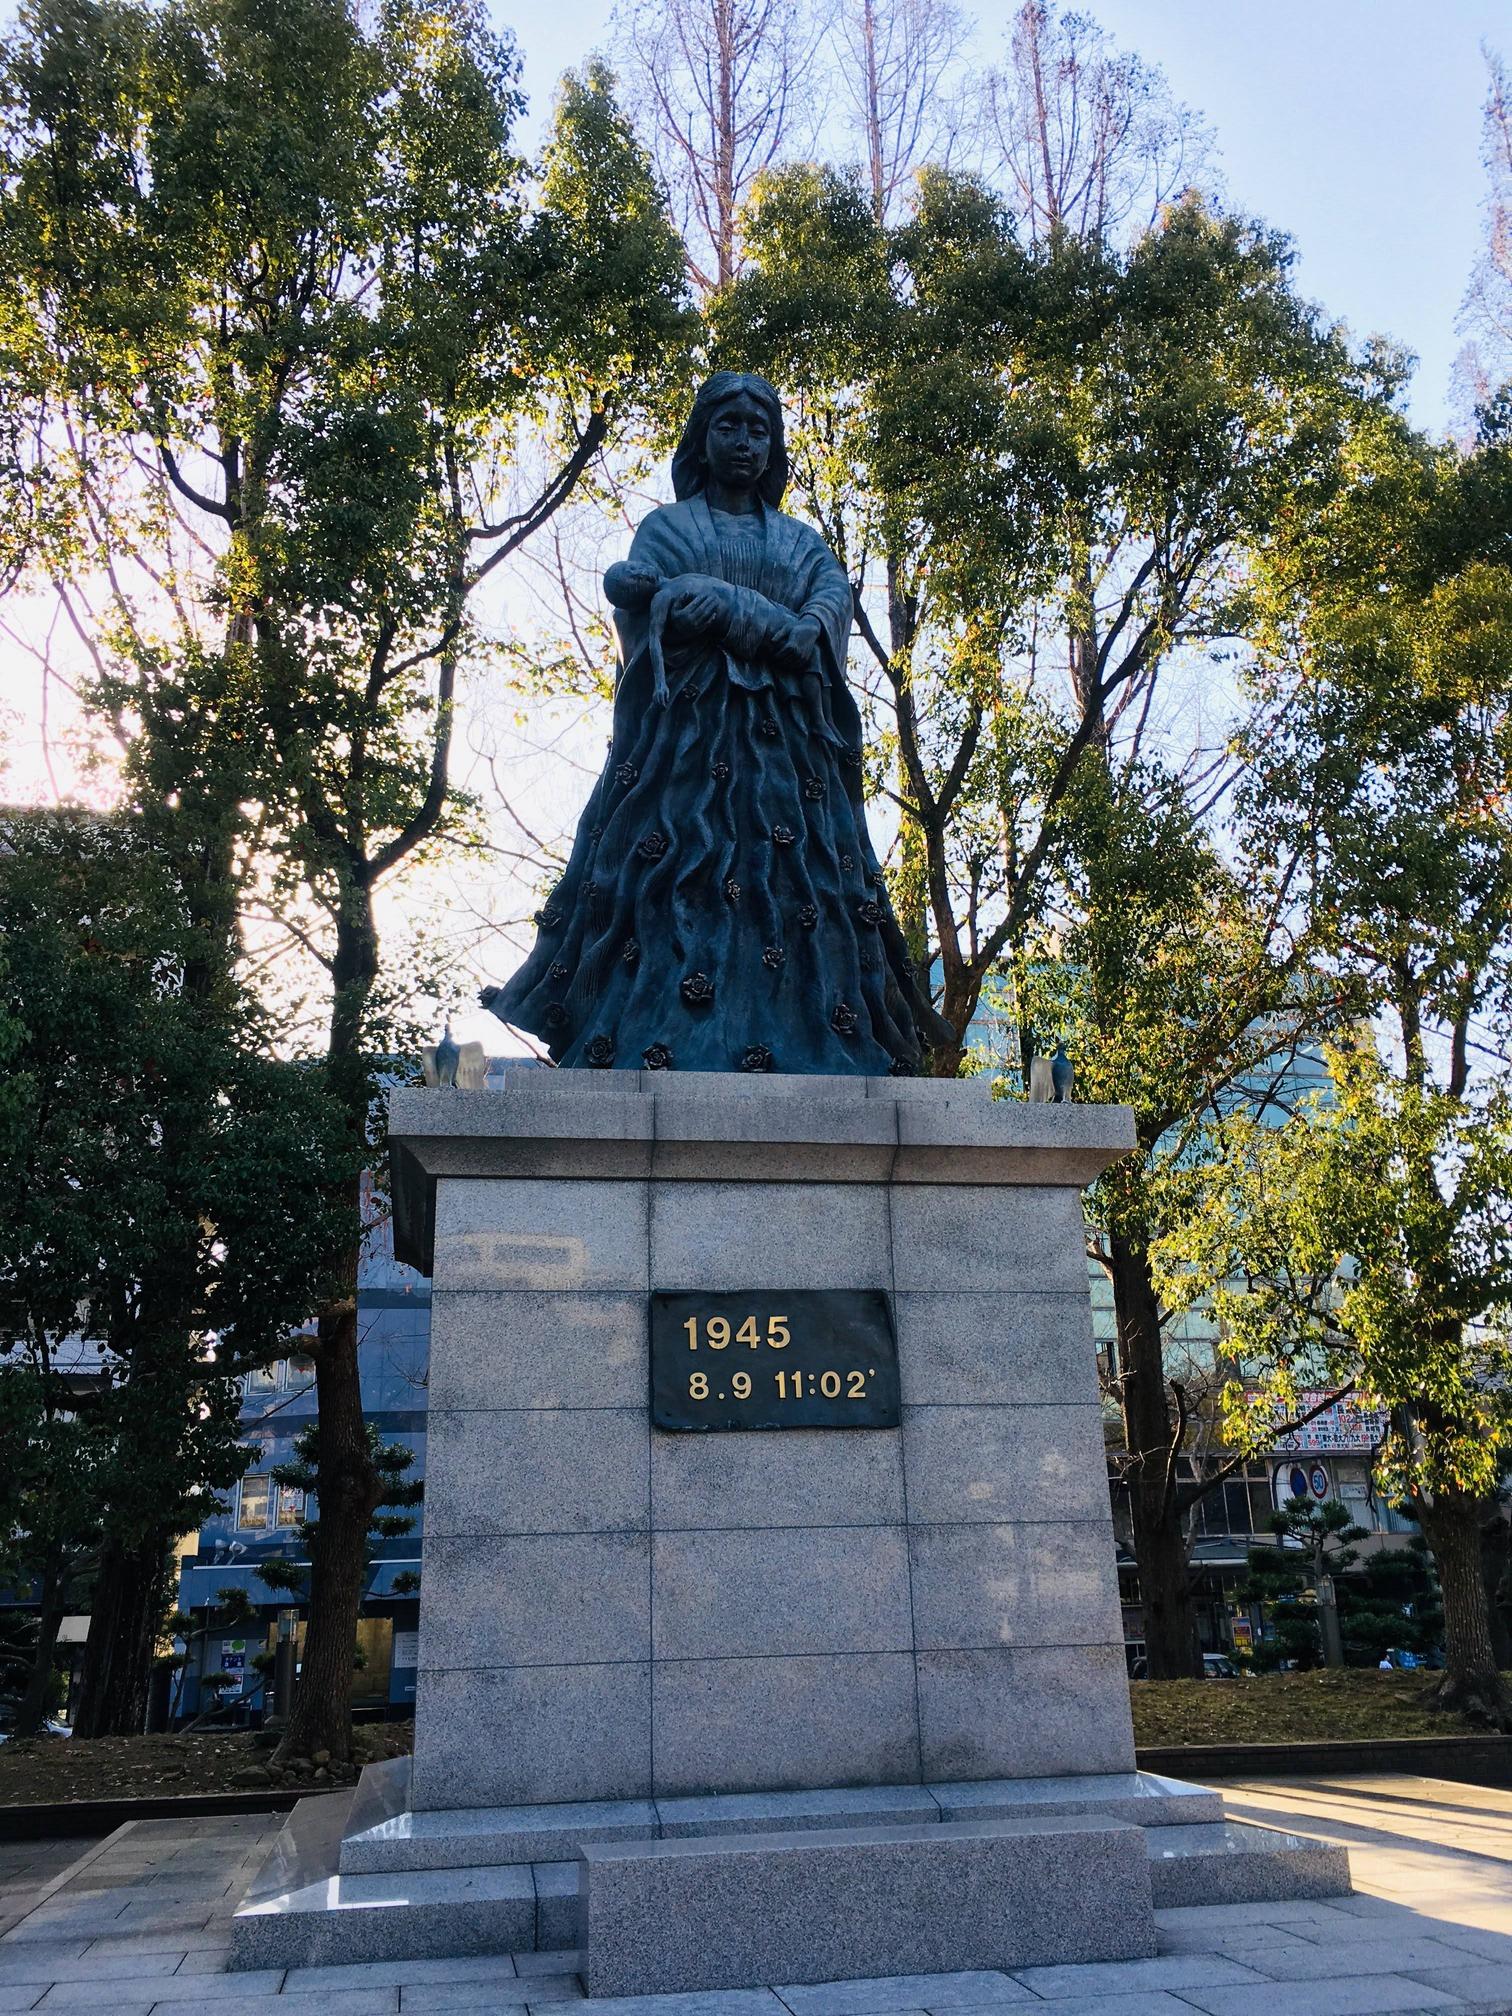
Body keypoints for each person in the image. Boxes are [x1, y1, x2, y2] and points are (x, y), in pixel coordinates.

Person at [484, 371, 952, 1074]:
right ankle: (655, 1028)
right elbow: (640, 617)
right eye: (728, 426)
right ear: (701, 439)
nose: (743, 441)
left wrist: (740, 613)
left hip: (789, 759)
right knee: (674, 882)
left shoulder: (802, 545)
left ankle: (814, 1031)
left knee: (801, 889)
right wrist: (689, 612)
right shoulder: (666, 531)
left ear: (775, 445)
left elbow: (817, 627)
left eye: (758, 428)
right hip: (686, 747)